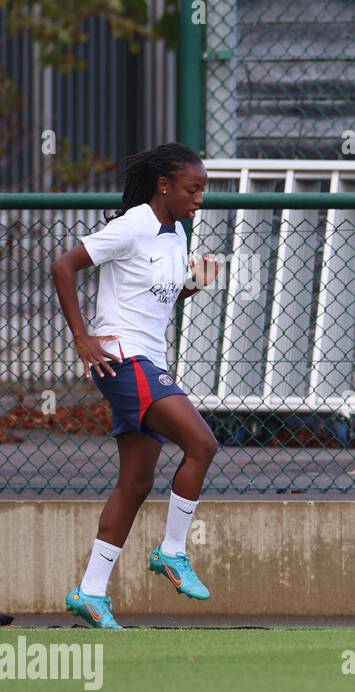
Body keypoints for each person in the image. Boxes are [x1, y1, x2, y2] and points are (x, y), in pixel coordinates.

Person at [50, 143, 222, 629]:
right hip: (122, 360)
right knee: (202, 443)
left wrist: (194, 284)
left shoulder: (176, 234)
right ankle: (171, 552)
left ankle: (90, 591)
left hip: (146, 359)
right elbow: (64, 267)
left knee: (137, 481)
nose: (199, 198)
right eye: (193, 189)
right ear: (164, 185)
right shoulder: (132, 226)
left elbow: (158, 298)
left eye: (203, 190)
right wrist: (82, 338)